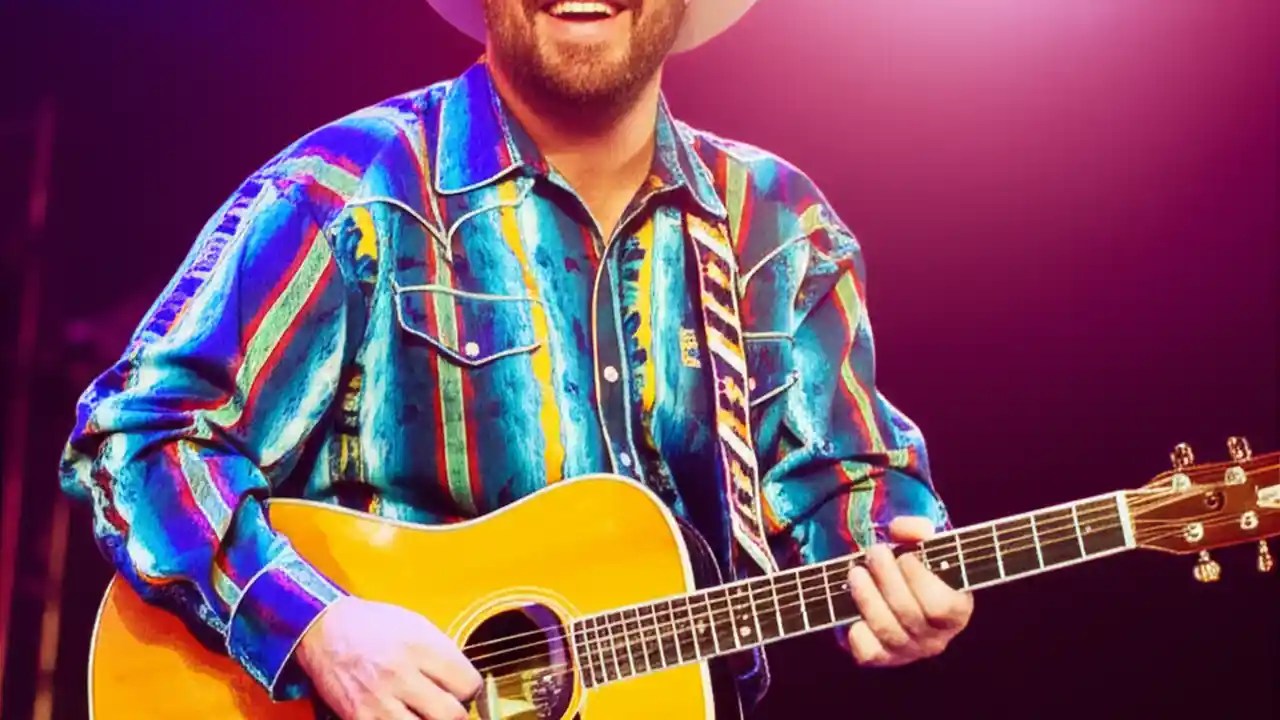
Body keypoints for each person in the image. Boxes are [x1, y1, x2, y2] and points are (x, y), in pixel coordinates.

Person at [60, 1, 974, 718]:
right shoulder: (351, 192)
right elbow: (135, 439)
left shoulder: (779, 224)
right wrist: (316, 629)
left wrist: (899, 567)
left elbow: (851, 486)